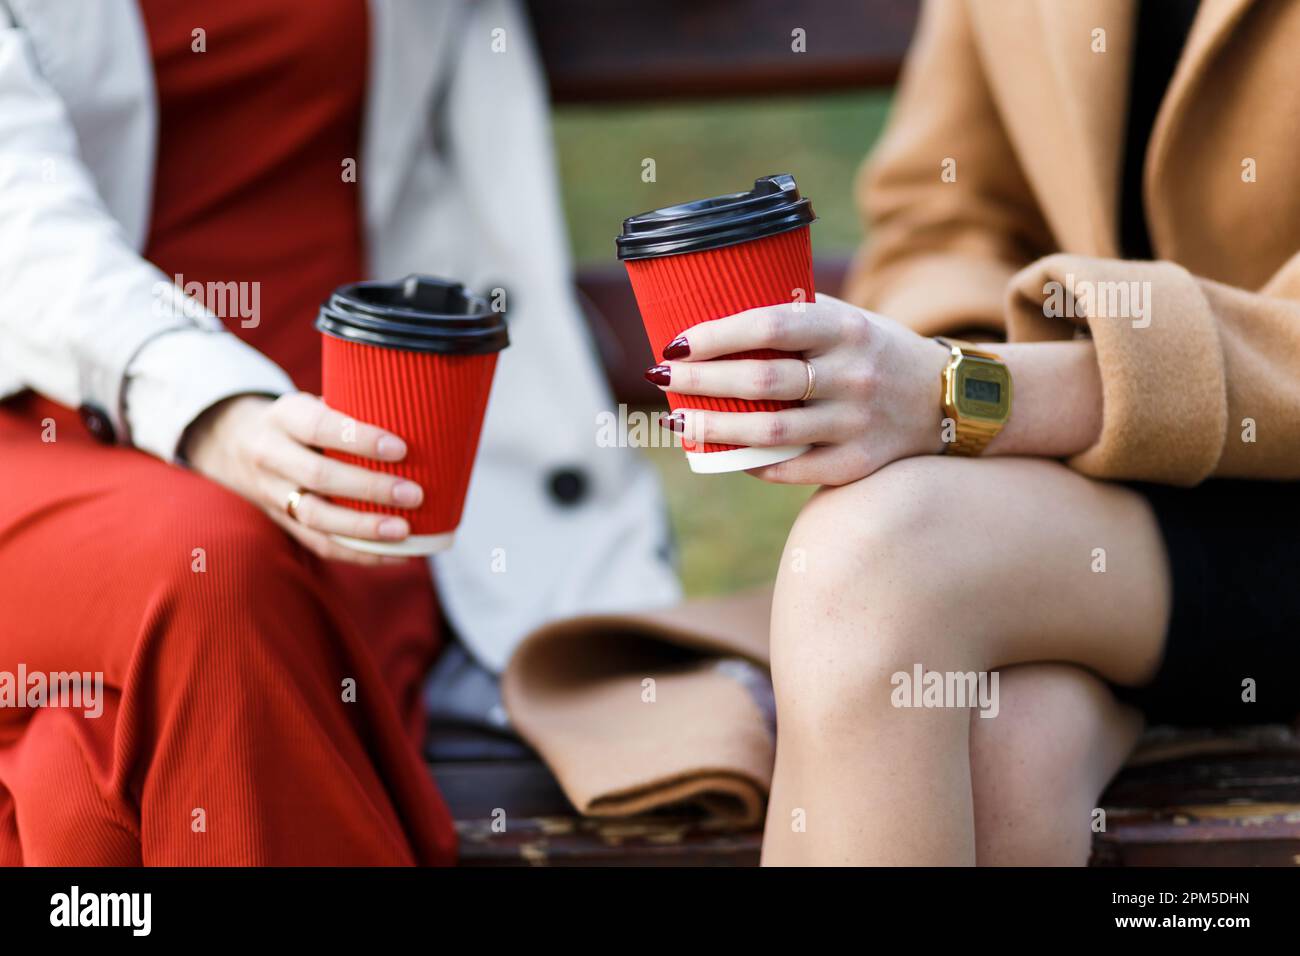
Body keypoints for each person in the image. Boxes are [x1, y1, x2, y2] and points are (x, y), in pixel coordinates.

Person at [0, 0, 677, 865]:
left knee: (85, 778)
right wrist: (210, 413)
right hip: (48, 408)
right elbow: (19, 224)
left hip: (351, 453)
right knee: (210, 564)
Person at [645, 0, 1300, 864]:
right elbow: (943, 215)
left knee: (879, 557)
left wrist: (968, 394)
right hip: (1114, 528)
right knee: (1004, 751)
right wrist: (977, 408)